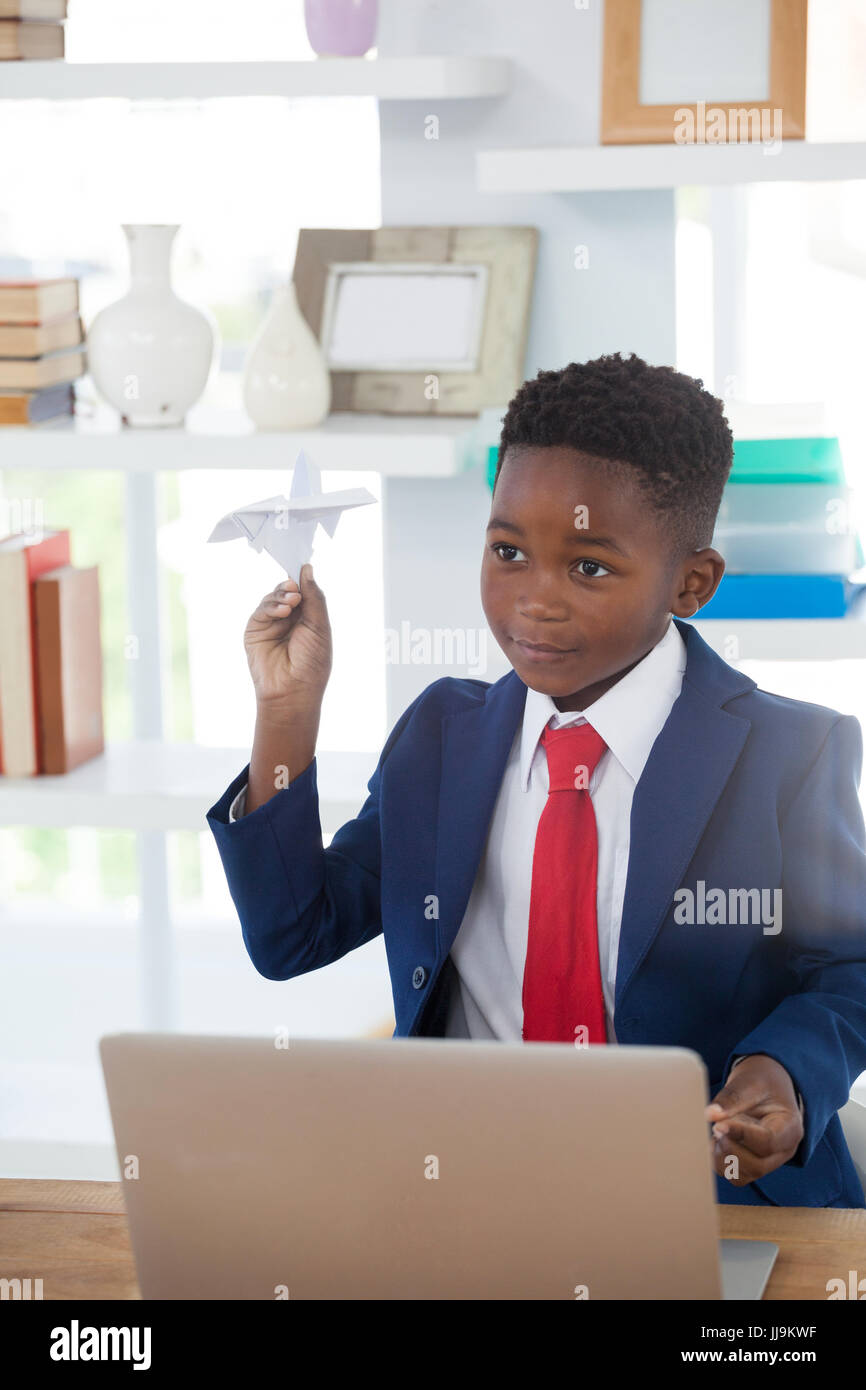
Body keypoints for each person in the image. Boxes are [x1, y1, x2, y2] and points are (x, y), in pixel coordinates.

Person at [207, 352, 866, 1208]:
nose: (534, 601)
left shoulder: (789, 753)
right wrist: (286, 715)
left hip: (705, 1200)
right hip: (475, 1190)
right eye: (509, 551)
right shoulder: (441, 737)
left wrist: (782, 1071)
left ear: (692, 584)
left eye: (589, 567)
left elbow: (850, 967)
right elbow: (293, 934)